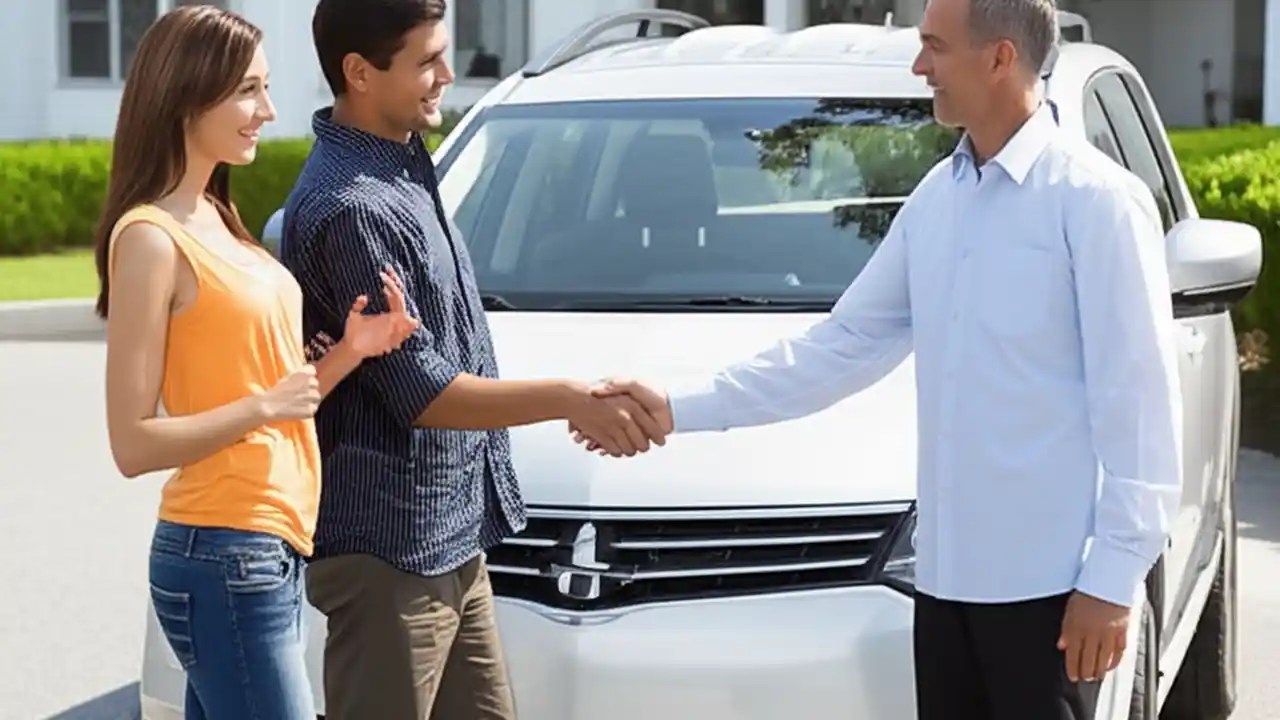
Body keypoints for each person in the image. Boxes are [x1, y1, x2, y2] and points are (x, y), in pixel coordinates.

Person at [583, 0, 1183, 718]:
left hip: (1050, 599)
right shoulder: (939, 201)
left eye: (934, 47)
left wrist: (1113, 582)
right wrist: (676, 407)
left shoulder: (1096, 203)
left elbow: (1141, 415)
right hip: (945, 591)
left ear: (999, 58)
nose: (918, 65)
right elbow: (842, 348)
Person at [277, 1, 667, 718]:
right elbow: (421, 392)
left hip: (452, 540)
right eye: (426, 61)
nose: (447, 76)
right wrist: (570, 396)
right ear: (360, 73)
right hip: (389, 553)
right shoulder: (351, 207)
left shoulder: (400, 166)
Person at [93, 6, 417, 719]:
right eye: (248, 90)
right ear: (186, 92)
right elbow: (132, 442)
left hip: (264, 549)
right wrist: (262, 407)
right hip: (222, 552)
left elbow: (277, 396)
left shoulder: (217, 217)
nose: (268, 110)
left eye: (266, 89)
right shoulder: (151, 239)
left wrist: (350, 355)